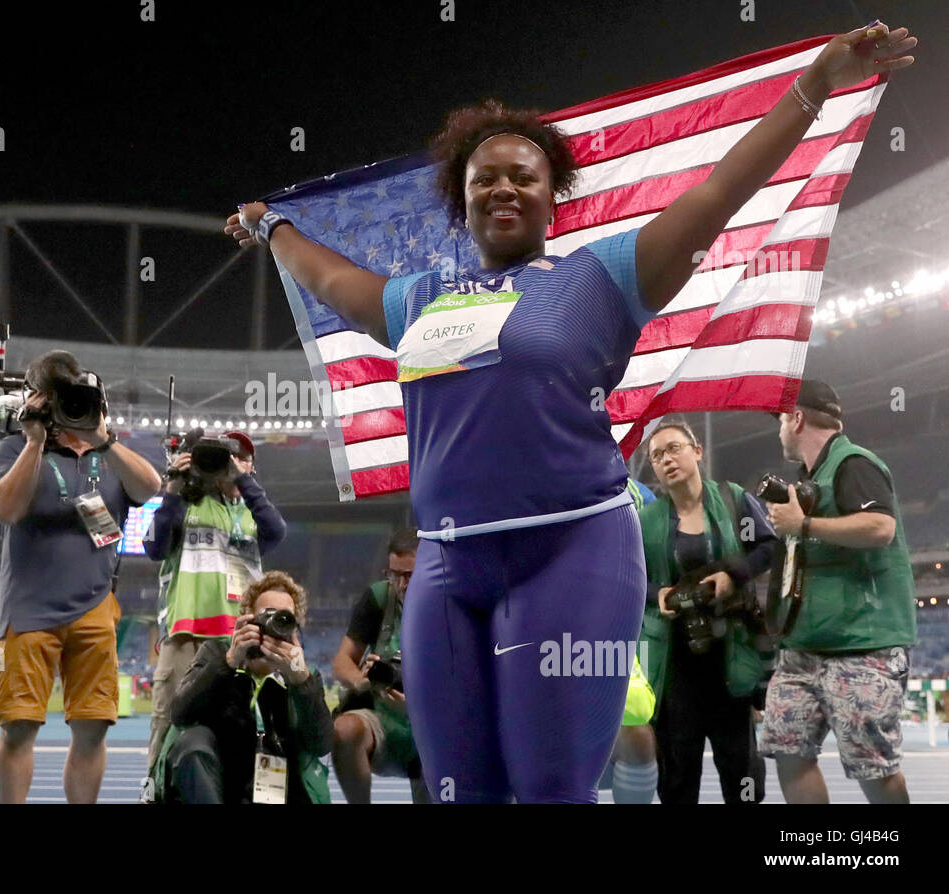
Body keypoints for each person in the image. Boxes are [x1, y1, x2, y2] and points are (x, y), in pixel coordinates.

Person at [226, 20, 917, 804]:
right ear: (461, 200)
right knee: (459, 789)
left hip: (573, 555)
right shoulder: (415, 301)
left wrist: (816, 84)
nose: (503, 188)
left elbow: (720, 192)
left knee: (551, 787)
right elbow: (326, 276)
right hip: (448, 567)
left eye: (523, 175)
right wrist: (271, 226)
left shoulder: (599, 279)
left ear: (554, 196)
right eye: (484, 177)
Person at [0, 350, 161, 803]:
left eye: (82, 400)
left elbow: (149, 487)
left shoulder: (111, 457)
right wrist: (33, 442)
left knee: (92, 730)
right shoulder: (15, 448)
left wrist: (104, 440)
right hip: (27, 612)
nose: (73, 410)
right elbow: (5, 508)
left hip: (95, 608)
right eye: (64, 401)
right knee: (18, 728)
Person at [758, 380, 917, 803]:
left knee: (873, 767)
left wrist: (804, 525)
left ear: (796, 419)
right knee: (787, 750)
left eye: (779, 421)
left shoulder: (853, 464)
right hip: (802, 647)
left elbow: (881, 528)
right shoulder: (807, 479)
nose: (778, 431)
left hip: (861, 646)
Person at [640, 420, 777, 804]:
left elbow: (769, 547)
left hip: (731, 656)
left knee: (743, 775)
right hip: (673, 666)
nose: (667, 459)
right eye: (657, 456)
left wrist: (732, 576)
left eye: (674, 448)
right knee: (677, 780)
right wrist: (660, 594)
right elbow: (626, 579)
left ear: (697, 450)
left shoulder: (734, 499)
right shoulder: (647, 520)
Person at [141, 429, 286, 779]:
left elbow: (276, 530)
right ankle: (155, 793)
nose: (234, 465)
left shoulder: (254, 511)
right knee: (168, 720)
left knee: (255, 724)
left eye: (243, 458)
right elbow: (154, 547)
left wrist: (242, 479)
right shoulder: (187, 505)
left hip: (246, 637)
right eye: (226, 459)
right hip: (186, 634)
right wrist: (173, 490)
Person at [153, 571, 333, 804]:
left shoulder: (299, 674)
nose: (273, 627)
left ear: (295, 627)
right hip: (220, 787)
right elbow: (180, 714)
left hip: (278, 791)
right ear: (247, 619)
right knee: (193, 741)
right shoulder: (217, 654)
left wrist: (301, 680)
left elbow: (321, 744)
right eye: (267, 616)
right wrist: (230, 661)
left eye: (284, 619)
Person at [331, 528, 428, 803]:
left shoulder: (449, 603)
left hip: (433, 728)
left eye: (409, 575)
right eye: (393, 574)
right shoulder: (379, 597)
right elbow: (341, 663)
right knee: (345, 729)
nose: (401, 584)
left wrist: (416, 707)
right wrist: (365, 681)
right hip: (385, 722)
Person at [596, 478, 661, 805]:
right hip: (542, 620)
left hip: (613, 626)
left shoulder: (635, 493)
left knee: (635, 721)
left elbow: (656, 558)